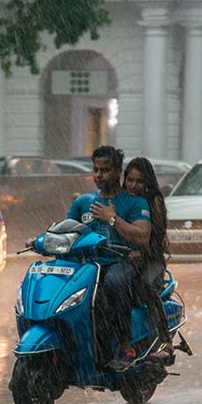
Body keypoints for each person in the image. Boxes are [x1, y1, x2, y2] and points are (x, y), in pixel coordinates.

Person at [66, 146, 152, 372]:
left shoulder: (134, 203)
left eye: (105, 170)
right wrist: (38, 239)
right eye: (95, 169)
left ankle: (126, 347)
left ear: (117, 172)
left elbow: (142, 235)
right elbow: (65, 230)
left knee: (113, 283)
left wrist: (112, 218)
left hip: (121, 264)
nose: (98, 175)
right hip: (89, 266)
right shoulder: (83, 202)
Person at [122, 158, 173, 358]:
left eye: (139, 181)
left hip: (151, 261)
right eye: (130, 180)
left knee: (144, 286)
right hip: (124, 260)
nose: (134, 186)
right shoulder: (120, 200)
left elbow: (157, 238)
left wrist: (141, 253)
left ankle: (165, 339)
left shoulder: (154, 202)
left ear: (147, 183)